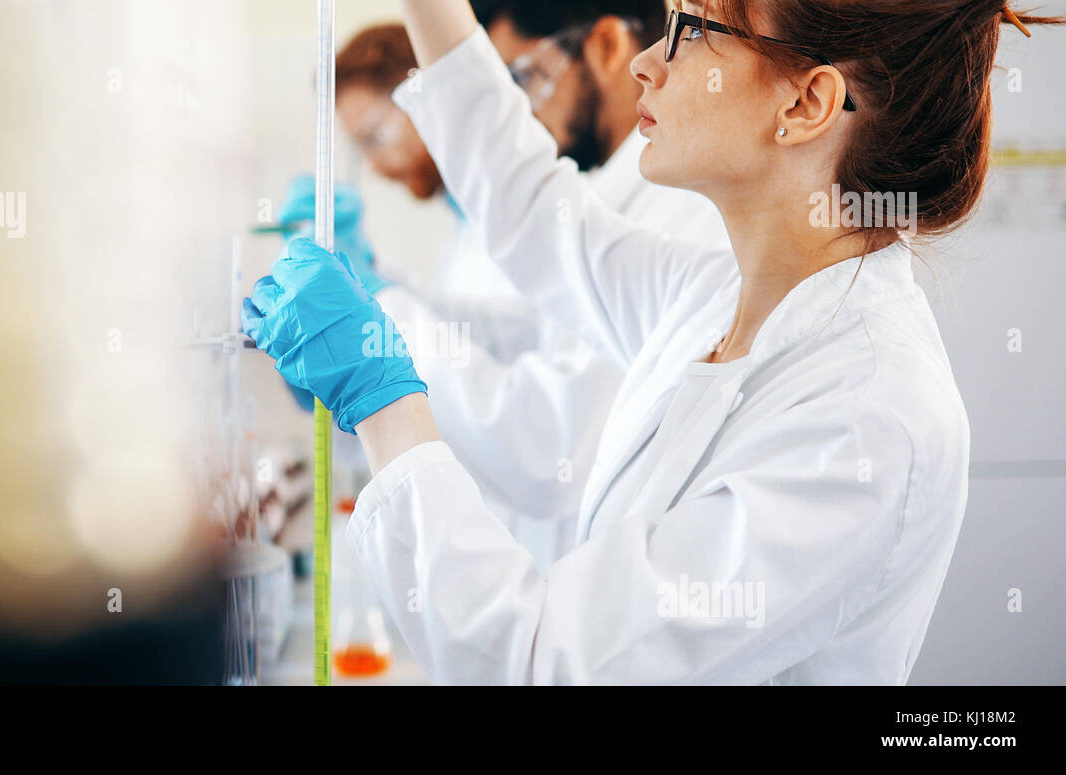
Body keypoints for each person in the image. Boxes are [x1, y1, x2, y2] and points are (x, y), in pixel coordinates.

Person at [245, 0, 1065, 684]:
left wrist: (382, 400)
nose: (646, 62)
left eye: (694, 29)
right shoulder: (714, 295)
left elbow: (542, 661)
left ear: (806, 105)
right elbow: (531, 209)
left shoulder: (869, 420)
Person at [278, 4, 730, 571]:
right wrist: (371, 291)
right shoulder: (607, 195)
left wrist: (377, 328)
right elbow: (522, 328)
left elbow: (549, 446)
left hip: (601, 589)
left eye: (522, 79)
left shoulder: (675, 208)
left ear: (610, 48)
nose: (518, 113)